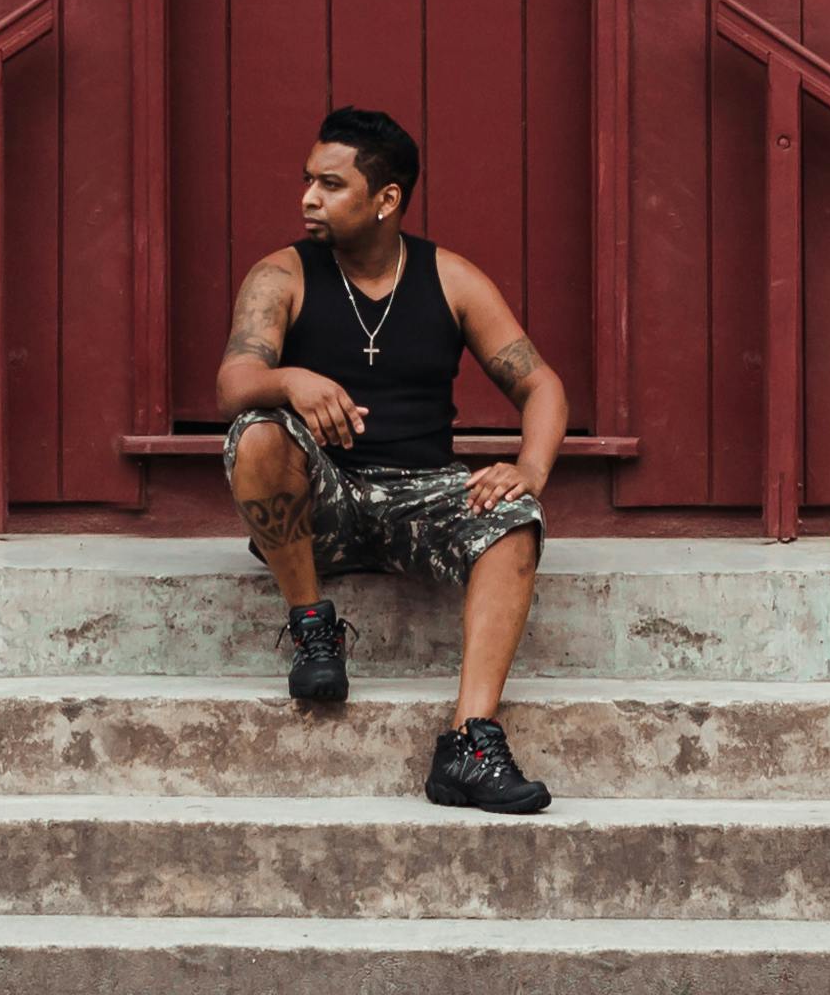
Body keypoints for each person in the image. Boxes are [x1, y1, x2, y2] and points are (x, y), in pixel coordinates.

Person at [214, 106, 571, 816]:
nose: (308, 198)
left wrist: (529, 470)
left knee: (516, 519)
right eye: (307, 181)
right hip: (325, 503)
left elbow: (541, 384)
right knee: (256, 434)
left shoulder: (451, 278)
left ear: (386, 200)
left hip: (421, 496)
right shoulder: (281, 274)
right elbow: (232, 384)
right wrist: (290, 380)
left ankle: (470, 743)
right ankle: (313, 627)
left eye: (331, 185)